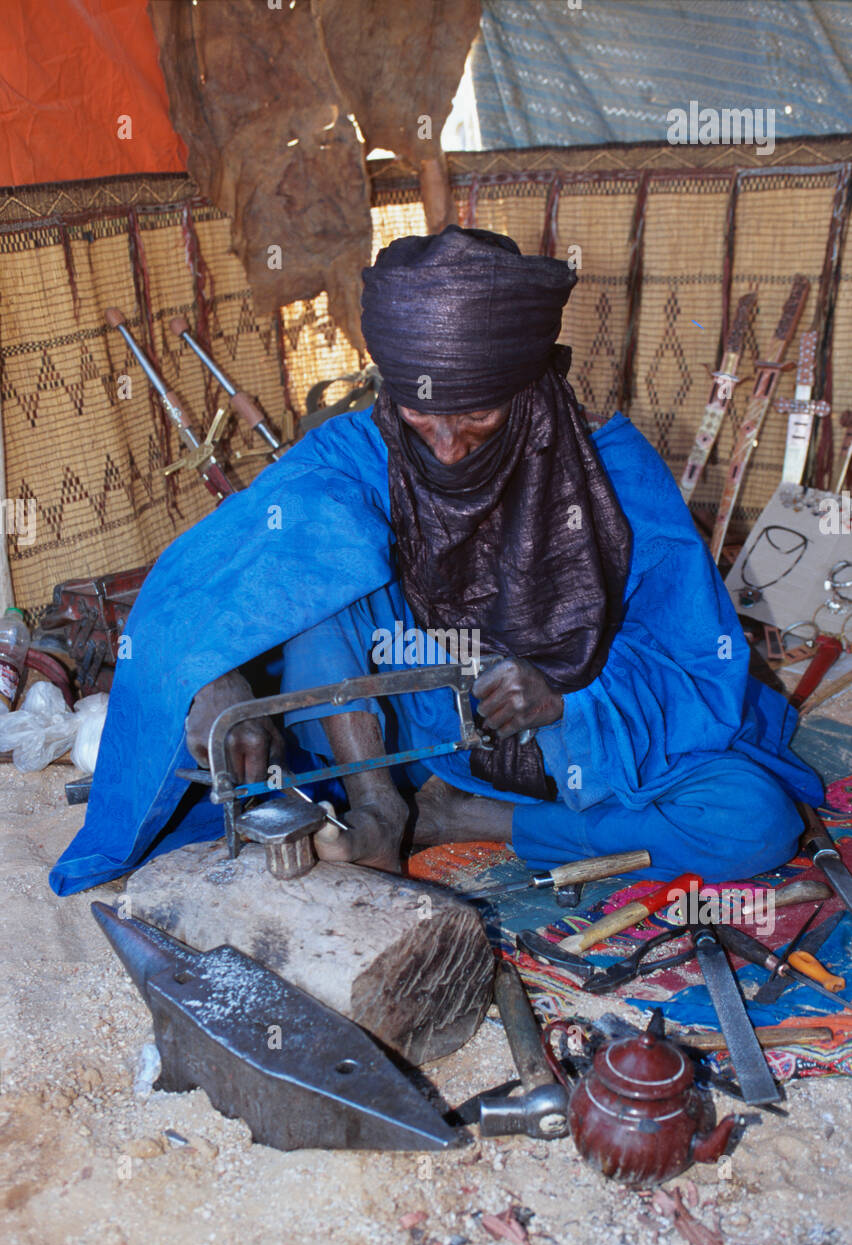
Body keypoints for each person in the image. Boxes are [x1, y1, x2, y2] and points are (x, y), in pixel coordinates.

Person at [51, 227, 821, 897]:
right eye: (422, 419)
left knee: (753, 823)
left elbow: (700, 660)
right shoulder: (360, 448)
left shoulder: (614, 470)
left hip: (577, 743)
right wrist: (211, 678)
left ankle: (472, 821)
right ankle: (382, 813)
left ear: (534, 386)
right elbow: (218, 574)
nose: (447, 447)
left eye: (480, 417)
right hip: (399, 731)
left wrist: (563, 697)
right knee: (326, 554)